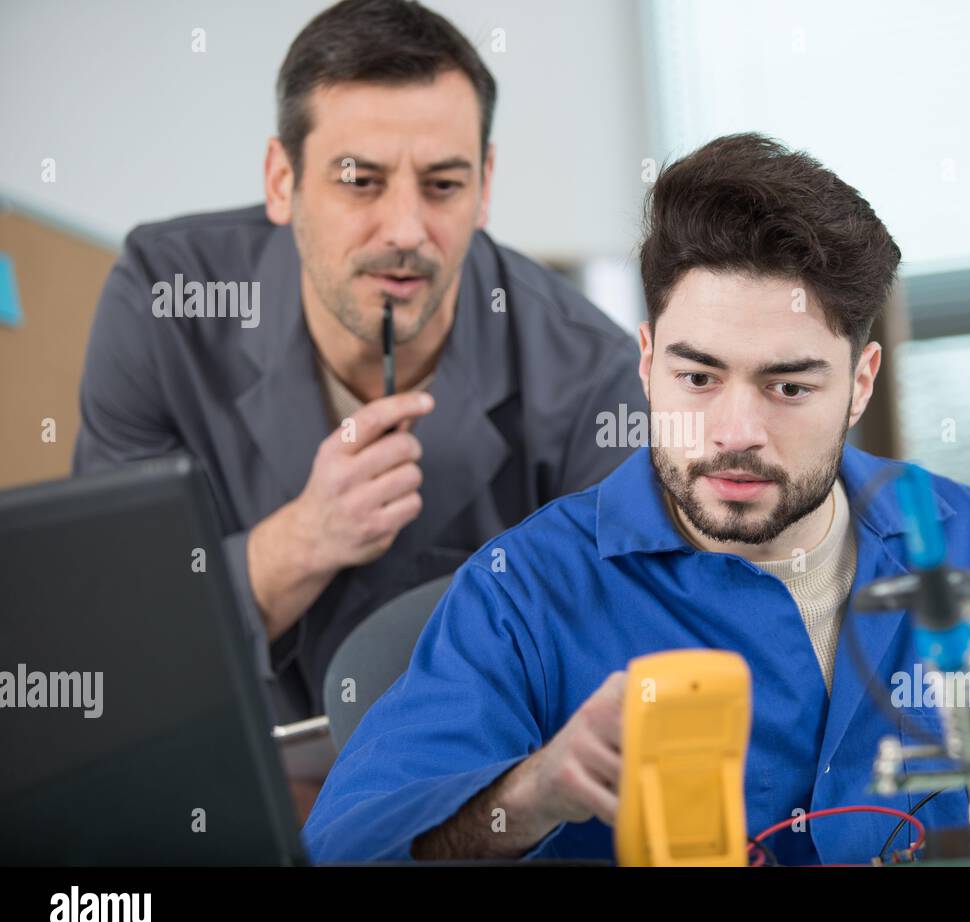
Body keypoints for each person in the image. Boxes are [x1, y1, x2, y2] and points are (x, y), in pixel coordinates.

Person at [302, 133, 970, 865]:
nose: (735, 432)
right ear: (648, 360)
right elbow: (348, 850)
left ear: (860, 384)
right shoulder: (525, 593)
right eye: (697, 377)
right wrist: (533, 792)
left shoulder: (962, 536)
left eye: (788, 386)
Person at [72, 0, 646, 723]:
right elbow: (106, 626)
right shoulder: (167, 303)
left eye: (443, 185)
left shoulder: (592, 375)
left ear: (485, 184)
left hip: (476, 806)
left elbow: (626, 654)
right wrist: (301, 542)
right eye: (359, 180)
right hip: (219, 795)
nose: (406, 230)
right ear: (282, 180)